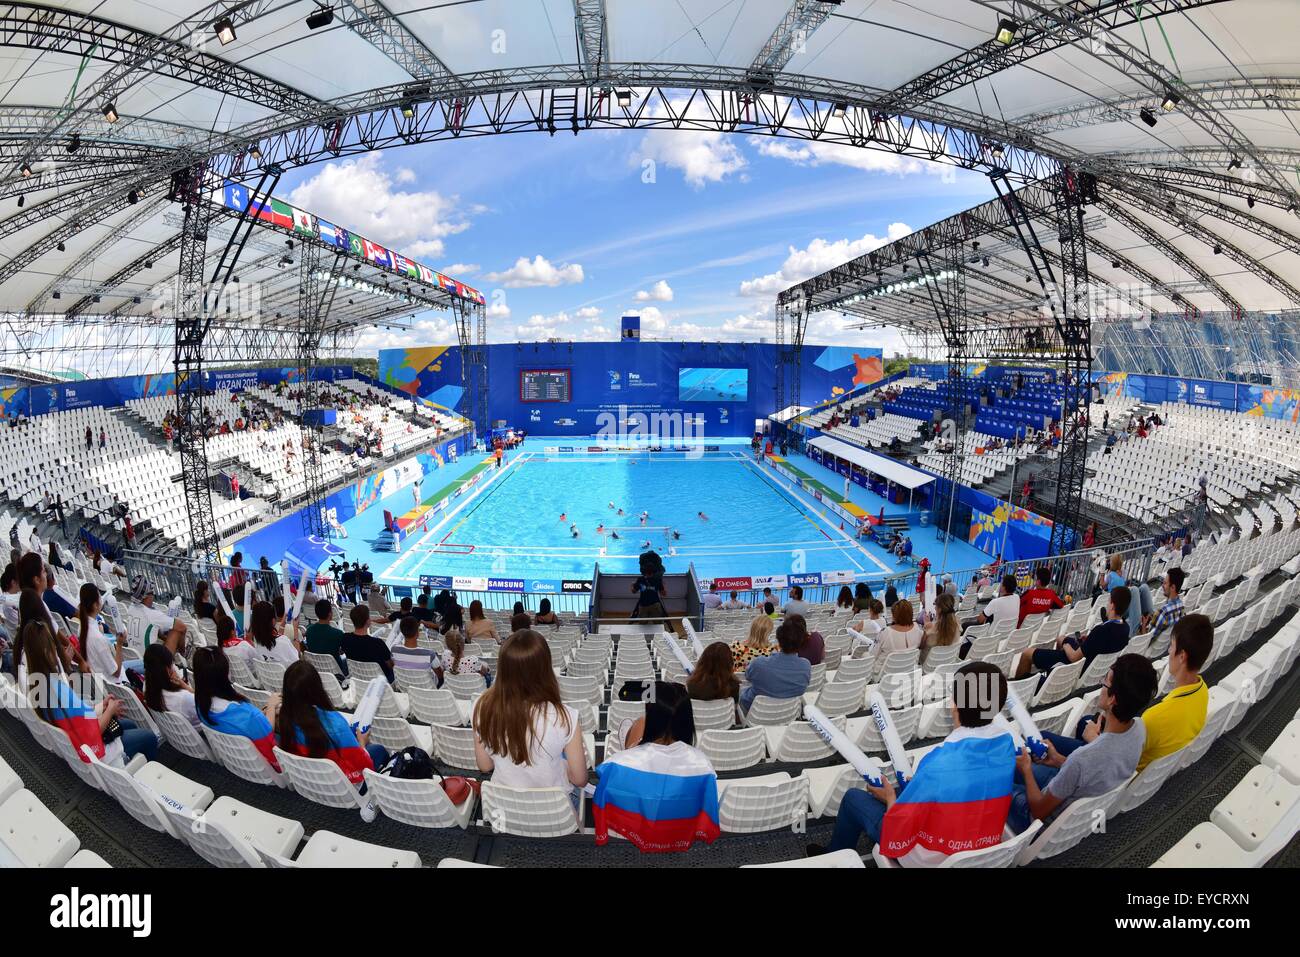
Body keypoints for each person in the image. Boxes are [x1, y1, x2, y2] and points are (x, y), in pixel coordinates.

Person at [807, 661, 1016, 864]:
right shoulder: (1007, 747)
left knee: (853, 798)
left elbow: (899, 828)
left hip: (927, 857)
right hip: (981, 848)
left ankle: (833, 855)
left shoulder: (938, 763)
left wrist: (890, 798)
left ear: (955, 705)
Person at [1009, 654, 1157, 833]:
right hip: (1074, 803)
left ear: (1113, 699)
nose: (1102, 685)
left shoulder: (1083, 758)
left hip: (1041, 821)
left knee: (998, 776)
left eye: (1105, 683)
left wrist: (1026, 769)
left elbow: (1038, 811)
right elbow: (1087, 774)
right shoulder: (1140, 729)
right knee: (1014, 764)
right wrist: (1058, 760)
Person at [593, 681, 720, 852]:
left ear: (651, 718)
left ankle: (633, 745)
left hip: (628, 837)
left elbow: (602, 805)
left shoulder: (615, 764)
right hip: (679, 836)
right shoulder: (703, 764)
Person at [21, 620, 159, 765]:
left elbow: (76, 717)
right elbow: (93, 732)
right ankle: (144, 772)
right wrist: (109, 711)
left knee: (129, 724)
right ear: (45, 651)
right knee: (149, 737)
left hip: (77, 745)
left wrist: (101, 707)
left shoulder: (38, 683)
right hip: (100, 754)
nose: (57, 649)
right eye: (53, 645)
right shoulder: (58, 692)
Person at [473, 630, 587, 797]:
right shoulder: (566, 717)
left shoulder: (481, 706)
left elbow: (485, 766)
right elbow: (580, 779)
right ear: (545, 668)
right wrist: (562, 765)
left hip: (504, 805)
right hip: (554, 811)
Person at [275, 661, 387, 786]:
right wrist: (362, 743)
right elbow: (364, 765)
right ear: (317, 688)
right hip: (344, 787)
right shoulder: (335, 722)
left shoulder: (283, 717)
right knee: (379, 750)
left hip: (309, 779)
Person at [1136, 613, 1210, 771]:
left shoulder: (1154, 717)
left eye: (1172, 645)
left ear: (1182, 656)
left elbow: (1123, 763)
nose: (1169, 651)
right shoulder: (1203, 692)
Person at [192, 646, 279, 770]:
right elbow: (267, 731)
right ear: (225, 674)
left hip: (236, 759)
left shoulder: (200, 704)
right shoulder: (248, 715)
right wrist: (271, 705)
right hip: (263, 765)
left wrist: (261, 713)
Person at [1018, 585, 1131, 678]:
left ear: (1112, 605)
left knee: (1026, 653)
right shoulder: (1125, 628)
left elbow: (1074, 657)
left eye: (1108, 601)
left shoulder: (1101, 631)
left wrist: (1066, 645)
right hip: (1092, 667)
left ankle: (1021, 685)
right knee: (1061, 638)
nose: (1107, 604)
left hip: (1076, 666)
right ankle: (1052, 671)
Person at [740, 617, 812, 712]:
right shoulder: (806, 666)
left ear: (778, 639)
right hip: (787, 712)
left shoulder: (759, 663)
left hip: (756, 711)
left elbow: (748, 677)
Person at [78, 583, 141, 684]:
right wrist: (119, 644)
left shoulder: (82, 627)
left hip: (101, 676)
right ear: (95, 605)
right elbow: (116, 672)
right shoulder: (97, 637)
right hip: (115, 681)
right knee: (148, 664)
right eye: (99, 597)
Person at [142, 642, 200, 730]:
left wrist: (182, 684)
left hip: (174, 736)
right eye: (172, 664)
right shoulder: (184, 698)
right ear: (168, 669)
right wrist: (186, 687)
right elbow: (207, 707)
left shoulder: (147, 688)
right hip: (200, 737)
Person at [341, 604, 395, 683]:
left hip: (358, 677)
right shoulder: (378, 643)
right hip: (380, 681)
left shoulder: (345, 638)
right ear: (367, 621)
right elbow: (391, 665)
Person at [248, 599, 299, 665]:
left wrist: (282, 625)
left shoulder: (254, 641)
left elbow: (275, 640)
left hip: (266, 674)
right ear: (273, 620)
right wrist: (295, 629)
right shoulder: (284, 642)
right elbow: (297, 660)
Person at [1148, 566, 1186, 645]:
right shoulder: (1181, 607)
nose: (1162, 585)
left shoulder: (1163, 612)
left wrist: (1144, 624)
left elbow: (1148, 639)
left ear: (1172, 587)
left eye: (1165, 583)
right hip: (1165, 647)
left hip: (1151, 649)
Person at [921, 592, 959, 664]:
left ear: (940, 609)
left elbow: (921, 646)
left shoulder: (931, 628)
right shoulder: (958, 625)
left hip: (929, 663)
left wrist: (926, 625)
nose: (934, 607)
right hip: (948, 661)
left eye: (935, 605)